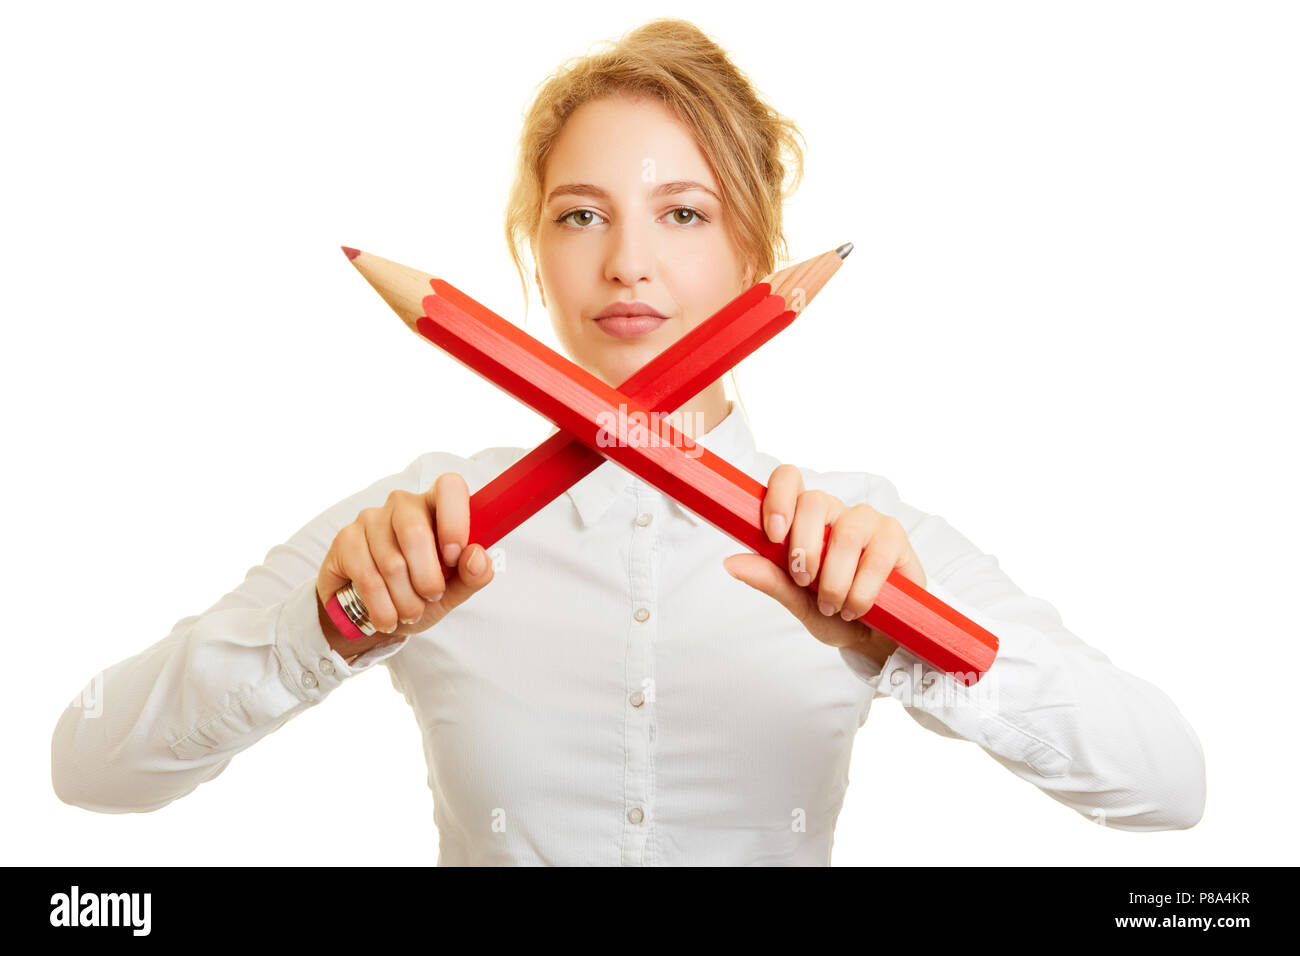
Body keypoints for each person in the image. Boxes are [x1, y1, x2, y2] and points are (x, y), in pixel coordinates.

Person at [51, 18, 1205, 864]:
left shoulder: (863, 532)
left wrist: (914, 641)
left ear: (758, 253)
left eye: (683, 212)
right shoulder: (421, 518)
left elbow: (1168, 781)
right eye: (580, 214)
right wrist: (326, 626)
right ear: (532, 252)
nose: (627, 264)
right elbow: (90, 767)